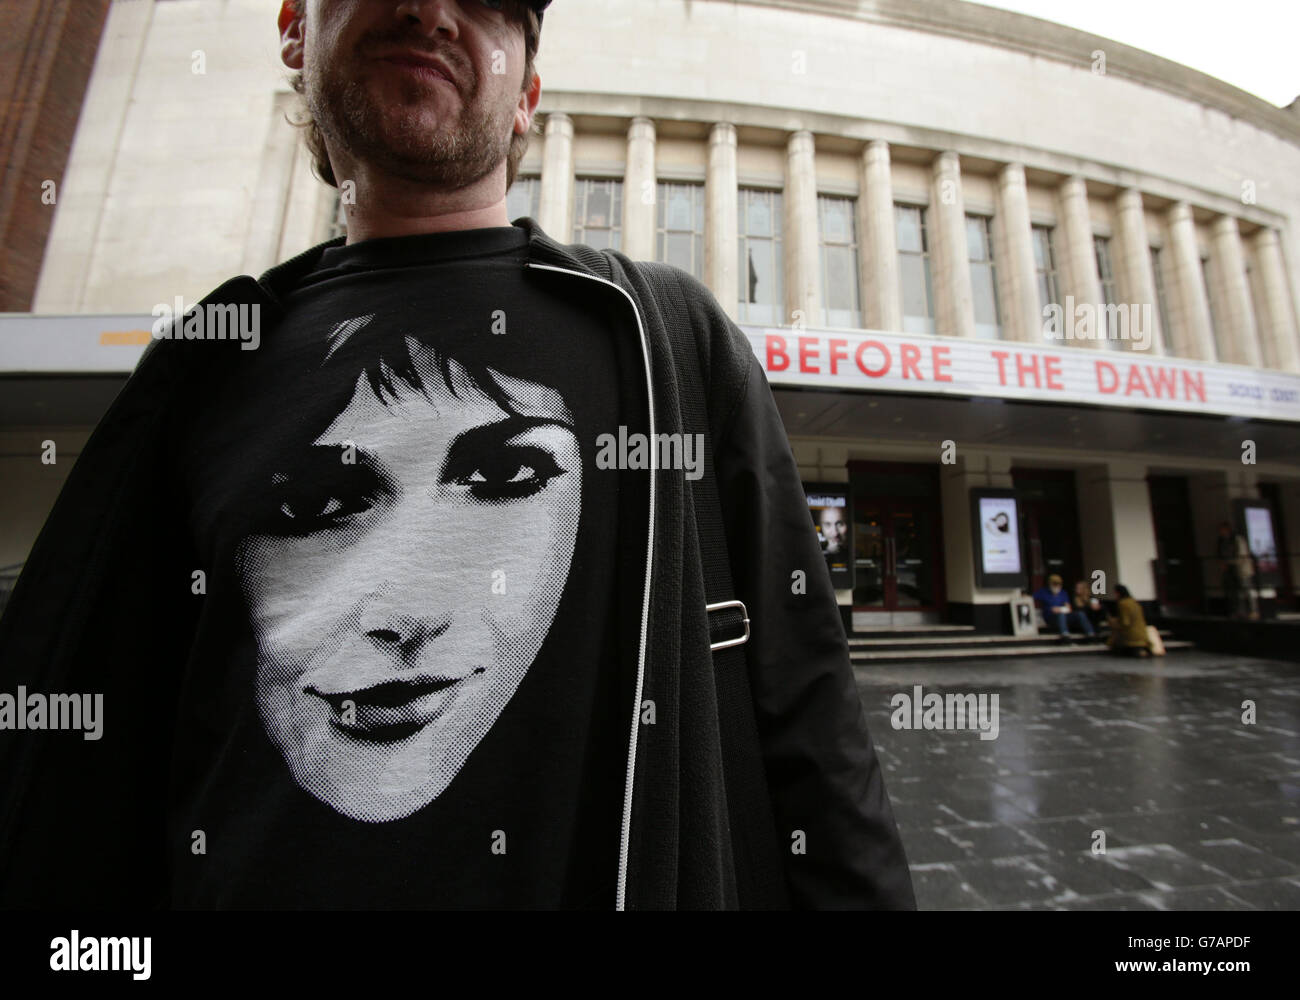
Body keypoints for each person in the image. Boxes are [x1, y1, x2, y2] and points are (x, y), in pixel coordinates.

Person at [0, 0, 913, 911]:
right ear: (293, 25)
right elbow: (70, 793)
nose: (431, 11)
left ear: (528, 98)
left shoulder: (667, 338)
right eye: (319, 503)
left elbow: (814, 727)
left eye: (508, 474)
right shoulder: (202, 370)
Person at [1215, 520, 1258, 619]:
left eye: (1222, 529)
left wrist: (1227, 562)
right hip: (1230, 569)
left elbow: (1241, 555)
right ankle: (1239, 611)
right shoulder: (1221, 541)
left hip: (1241, 568)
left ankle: (1253, 610)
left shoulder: (1237, 540)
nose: (1221, 531)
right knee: (1234, 591)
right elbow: (1220, 553)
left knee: (1246, 588)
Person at [1033, 573, 1095, 640]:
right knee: (1061, 614)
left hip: (1064, 617)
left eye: (1058, 584)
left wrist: (1059, 609)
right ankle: (1065, 635)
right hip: (1051, 618)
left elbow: (1068, 608)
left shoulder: (1063, 593)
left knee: (1080, 614)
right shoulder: (1043, 592)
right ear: (1050, 584)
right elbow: (1031, 598)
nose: (1057, 586)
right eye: (1054, 584)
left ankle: (1090, 633)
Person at [1106, 585, 1151, 657]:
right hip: (1143, 635)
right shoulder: (1134, 602)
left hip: (1131, 637)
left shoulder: (1123, 604)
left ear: (1118, 593)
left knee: (1114, 638)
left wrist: (1112, 622)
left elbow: (1125, 622)